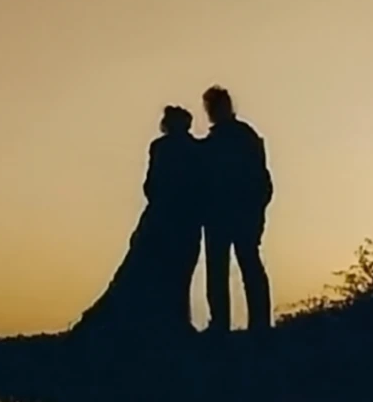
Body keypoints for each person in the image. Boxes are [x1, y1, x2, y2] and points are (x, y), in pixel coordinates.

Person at [75, 105, 202, 334]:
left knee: (149, 270)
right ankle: (173, 321)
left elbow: (150, 185)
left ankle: (160, 322)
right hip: (184, 222)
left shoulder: (161, 148)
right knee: (177, 273)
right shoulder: (194, 149)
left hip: (162, 219)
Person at [200, 86, 273, 332]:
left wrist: (255, 211)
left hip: (237, 213)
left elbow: (261, 181)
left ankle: (257, 323)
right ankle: (224, 323)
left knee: (245, 265)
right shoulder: (220, 140)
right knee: (221, 269)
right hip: (220, 214)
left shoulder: (242, 137)